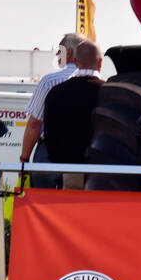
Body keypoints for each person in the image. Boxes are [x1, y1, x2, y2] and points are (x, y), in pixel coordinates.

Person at [19, 32, 85, 186]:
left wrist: (24, 158)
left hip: (48, 152)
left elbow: (34, 124)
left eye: (60, 50)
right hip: (80, 153)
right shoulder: (95, 81)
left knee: (43, 202)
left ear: (69, 53)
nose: (56, 53)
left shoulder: (49, 81)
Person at [42, 40, 104, 189]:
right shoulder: (110, 92)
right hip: (103, 170)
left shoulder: (56, 92)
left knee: (71, 210)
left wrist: (58, 160)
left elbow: (49, 134)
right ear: (100, 62)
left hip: (70, 168)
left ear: (75, 61)